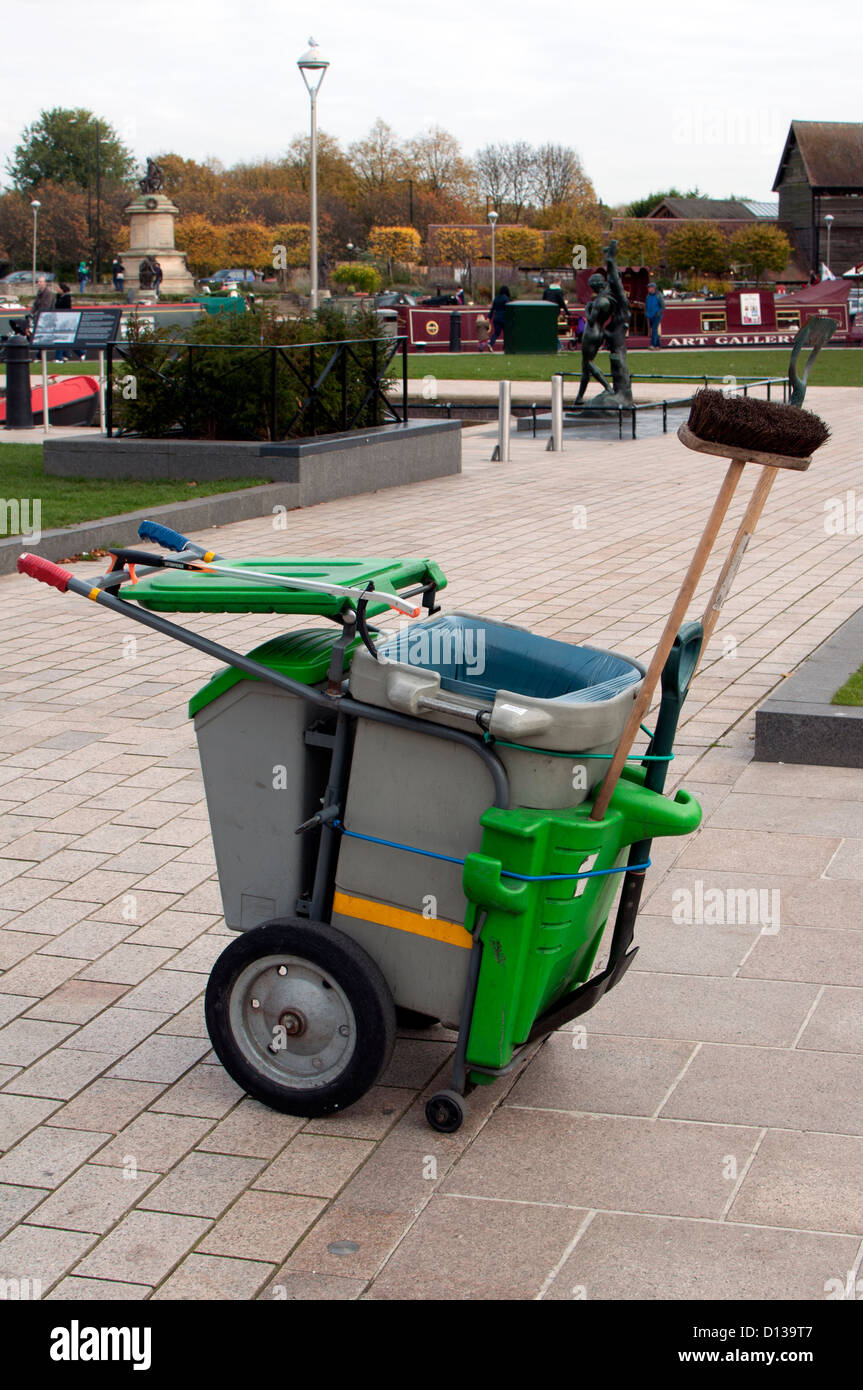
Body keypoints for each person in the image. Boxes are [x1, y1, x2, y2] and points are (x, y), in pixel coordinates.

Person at [542, 280, 569, 350]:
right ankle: (558, 345)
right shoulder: (559, 291)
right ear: (558, 282)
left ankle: (555, 345)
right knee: (553, 328)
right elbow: (561, 302)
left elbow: (543, 300)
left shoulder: (546, 290)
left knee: (548, 327)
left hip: (546, 311)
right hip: (555, 311)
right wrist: (567, 312)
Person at [53, 282, 73, 361]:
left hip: (64, 320)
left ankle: (59, 357)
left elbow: (67, 309)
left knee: (60, 338)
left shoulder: (67, 298)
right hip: (58, 319)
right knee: (63, 338)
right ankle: (67, 354)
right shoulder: (58, 297)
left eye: (58, 288)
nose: (56, 289)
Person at [488, 284, 511, 349]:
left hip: (496, 318)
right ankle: (505, 347)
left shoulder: (496, 298)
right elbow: (508, 308)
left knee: (496, 333)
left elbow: (492, 308)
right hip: (504, 318)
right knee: (506, 333)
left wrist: (489, 317)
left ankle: (491, 344)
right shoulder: (506, 298)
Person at [645, 280, 665, 349]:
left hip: (656, 315)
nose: (648, 289)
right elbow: (647, 305)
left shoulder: (659, 295)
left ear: (653, 288)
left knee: (654, 329)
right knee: (654, 330)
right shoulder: (648, 296)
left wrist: (658, 313)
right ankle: (658, 345)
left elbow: (663, 306)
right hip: (650, 315)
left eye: (649, 288)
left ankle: (653, 345)